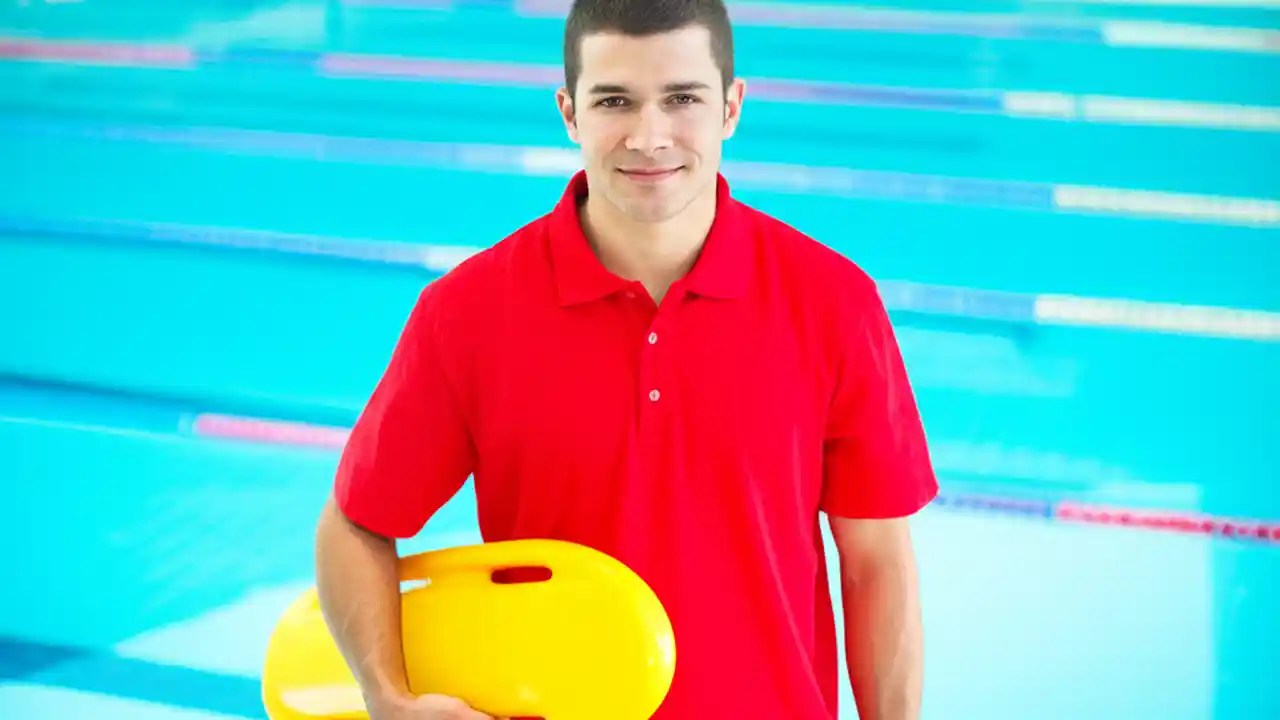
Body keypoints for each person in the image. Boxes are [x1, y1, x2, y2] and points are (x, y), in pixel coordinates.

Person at [313, 0, 938, 718]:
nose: (649, 136)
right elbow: (357, 523)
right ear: (569, 113)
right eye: (615, 101)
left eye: (682, 99)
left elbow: (876, 562)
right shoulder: (468, 314)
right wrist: (388, 698)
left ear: (731, 107)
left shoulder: (832, 303)